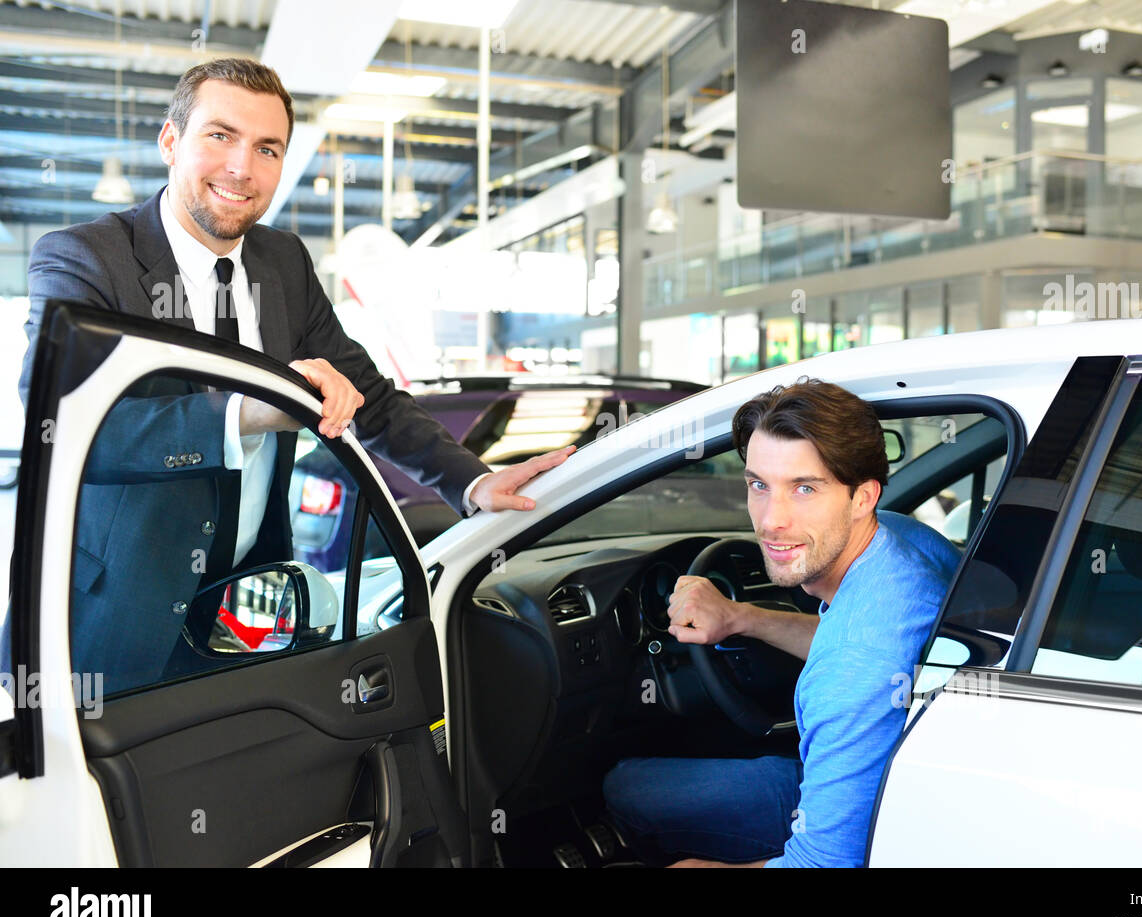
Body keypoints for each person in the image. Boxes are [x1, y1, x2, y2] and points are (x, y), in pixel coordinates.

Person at [5, 57, 573, 693]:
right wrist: (243, 415)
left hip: (250, 611)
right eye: (219, 136)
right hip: (110, 618)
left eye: (267, 148)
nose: (242, 167)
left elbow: (371, 398)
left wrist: (474, 484)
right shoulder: (86, 257)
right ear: (171, 141)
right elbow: (59, 422)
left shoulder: (284, 263)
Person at [602, 378, 960, 867]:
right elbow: (848, 637)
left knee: (625, 791)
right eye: (758, 485)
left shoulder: (850, 673)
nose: (771, 520)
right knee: (631, 784)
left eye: (804, 488)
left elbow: (822, 865)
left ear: (862, 497)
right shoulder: (899, 536)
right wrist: (739, 617)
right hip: (895, 784)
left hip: (881, 824)